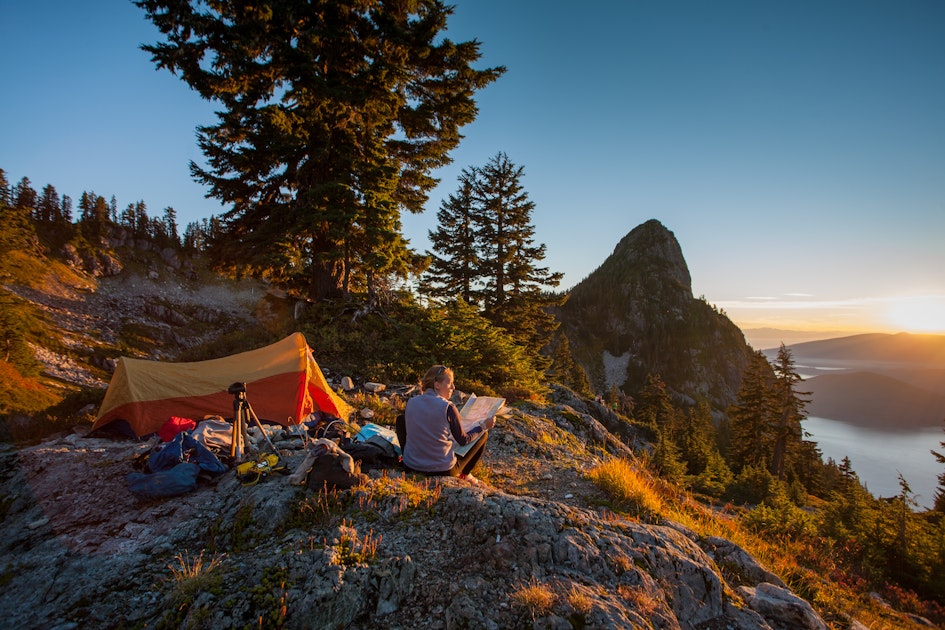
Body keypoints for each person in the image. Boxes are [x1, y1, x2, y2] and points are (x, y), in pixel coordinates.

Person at [400, 365, 495, 482]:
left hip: (411, 465)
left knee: (401, 419)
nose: (453, 387)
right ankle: (465, 474)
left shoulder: (412, 402)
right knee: (483, 434)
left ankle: (407, 456)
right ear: (437, 384)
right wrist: (483, 426)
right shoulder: (448, 407)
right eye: (449, 383)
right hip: (441, 469)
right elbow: (463, 440)